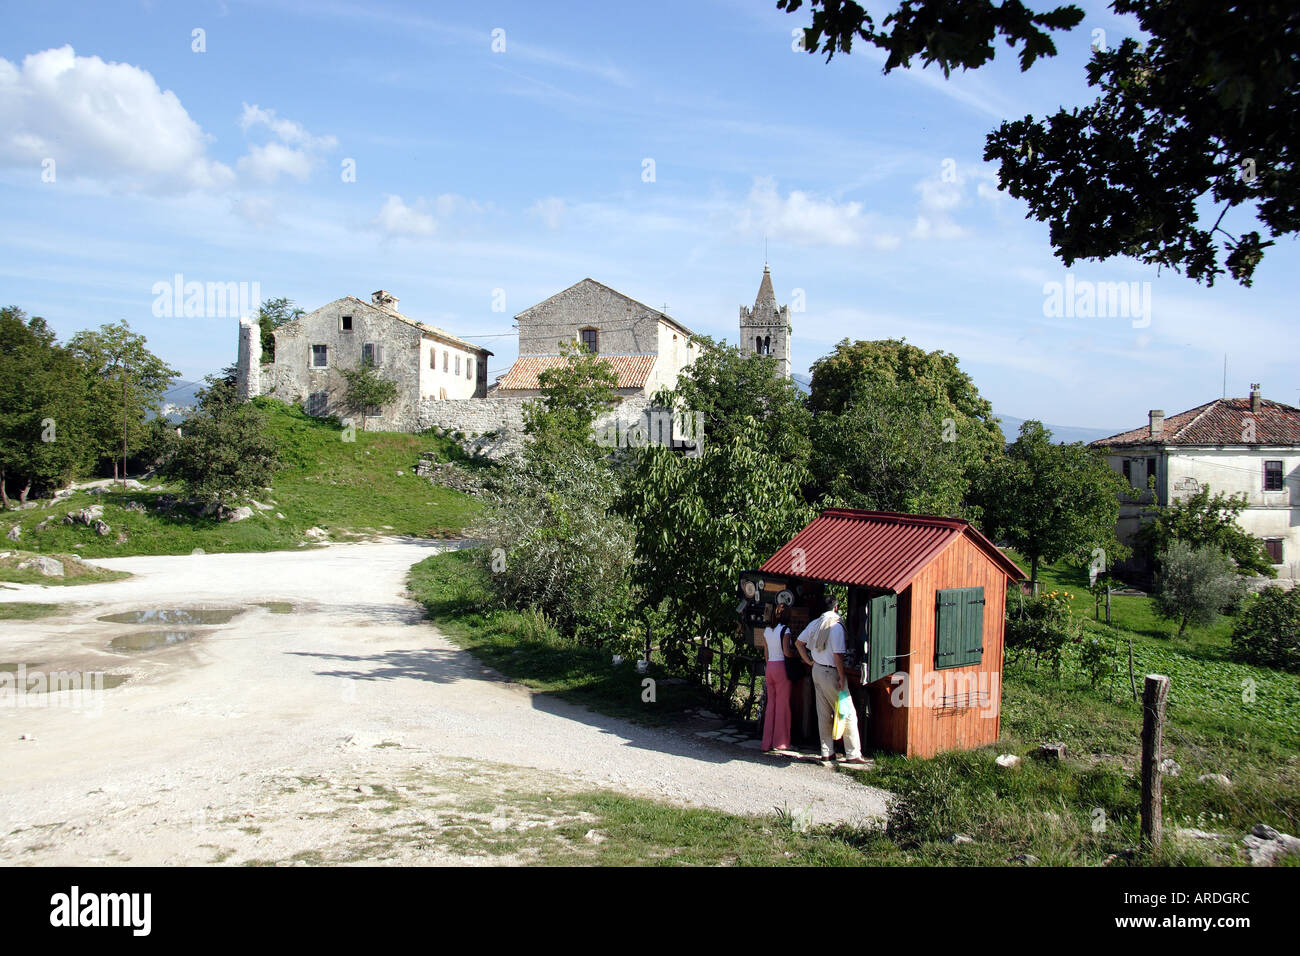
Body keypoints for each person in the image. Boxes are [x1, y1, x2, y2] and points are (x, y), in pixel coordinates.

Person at [795, 593, 867, 764]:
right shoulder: (836, 627)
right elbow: (837, 656)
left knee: (823, 713)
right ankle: (853, 754)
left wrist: (809, 661)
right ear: (836, 608)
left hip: (817, 671)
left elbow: (799, 643)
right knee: (847, 712)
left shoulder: (815, 623)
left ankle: (827, 752)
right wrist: (842, 677)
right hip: (831, 673)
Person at [760, 604, 794, 753]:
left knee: (771, 705)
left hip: (770, 667)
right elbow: (787, 652)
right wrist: (797, 655)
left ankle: (766, 742)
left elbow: (766, 654)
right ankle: (780, 742)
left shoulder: (767, 631)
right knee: (782, 705)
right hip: (781, 668)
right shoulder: (785, 630)